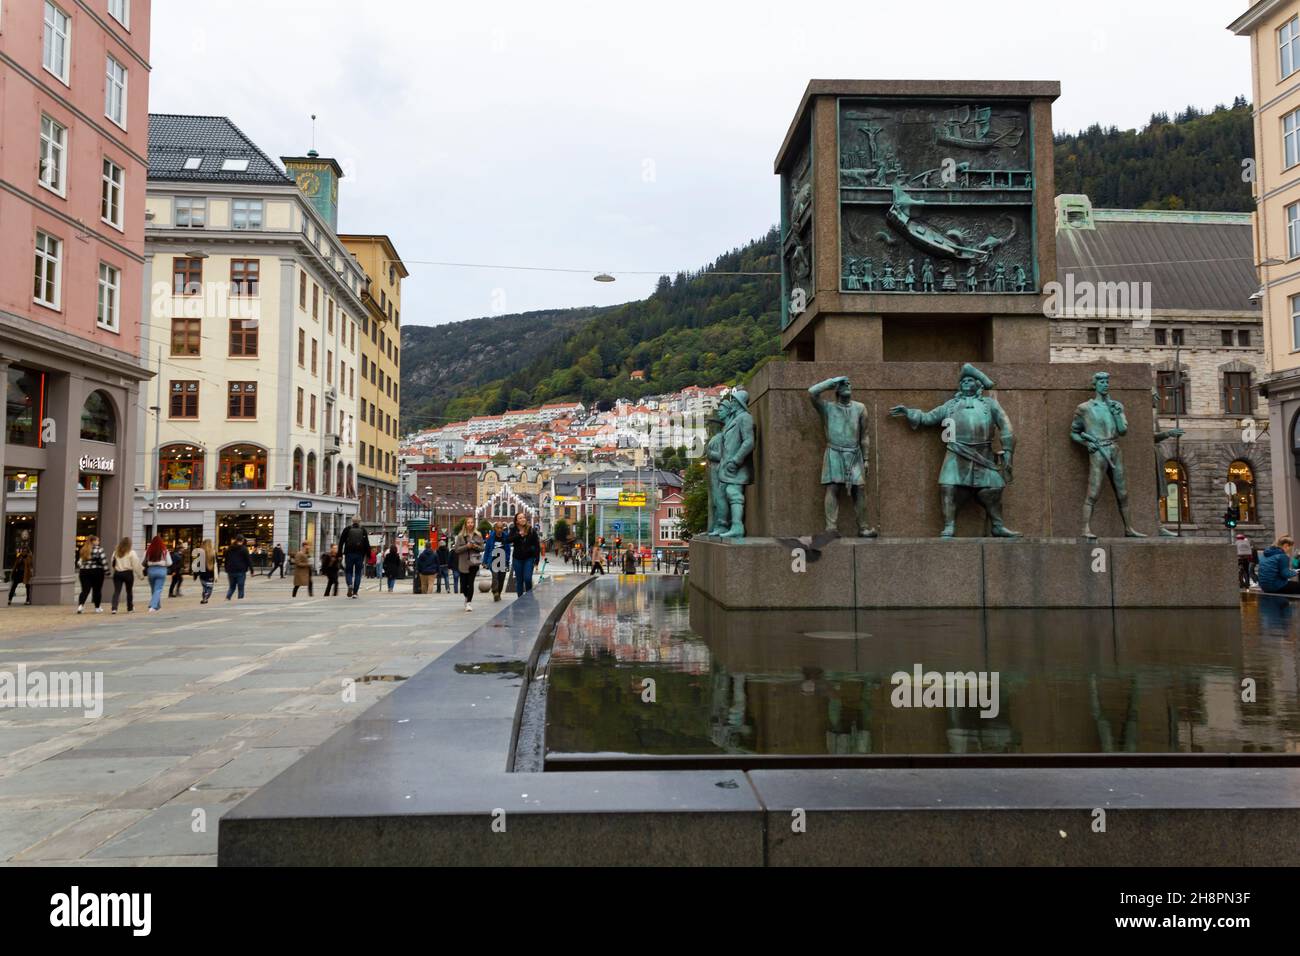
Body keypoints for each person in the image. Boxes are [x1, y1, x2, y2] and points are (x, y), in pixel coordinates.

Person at [508, 511, 542, 598]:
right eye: (520, 518)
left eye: (523, 517)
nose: (522, 519)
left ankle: (529, 597)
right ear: (516, 521)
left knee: (527, 579)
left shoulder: (531, 530)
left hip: (529, 558)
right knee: (519, 580)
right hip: (517, 559)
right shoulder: (514, 530)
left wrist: (536, 561)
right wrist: (519, 535)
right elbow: (508, 540)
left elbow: (537, 546)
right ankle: (520, 599)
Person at [452, 519, 483, 611]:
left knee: (470, 583)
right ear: (465, 524)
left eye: (472, 522)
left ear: (474, 524)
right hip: (463, 563)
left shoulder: (478, 535)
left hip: (473, 563)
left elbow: (482, 548)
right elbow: (456, 549)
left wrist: (475, 546)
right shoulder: (460, 536)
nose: (470, 524)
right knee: (463, 585)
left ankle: (469, 602)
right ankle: (466, 597)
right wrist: (467, 546)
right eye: (468, 523)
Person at [109, 537, 143, 614]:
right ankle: (129, 608)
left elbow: (112, 562)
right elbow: (136, 564)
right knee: (129, 591)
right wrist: (140, 575)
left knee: (117, 591)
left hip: (117, 573)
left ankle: (114, 608)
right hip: (128, 573)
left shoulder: (116, 552)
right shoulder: (132, 552)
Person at [338, 517, 370, 599]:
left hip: (349, 554)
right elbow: (367, 544)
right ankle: (355, 592)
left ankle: (349, 584)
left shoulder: (347, 529)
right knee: (358, 573)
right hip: (360, 555)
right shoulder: (363, 530)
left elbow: (341, 542)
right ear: (359, 521)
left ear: (352, 521)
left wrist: (339, 554)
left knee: (348, 571)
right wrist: (368, 555)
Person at [76, 535, 108, 614]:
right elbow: (104, 561)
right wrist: (107, 571)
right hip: (97, 571)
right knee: (97, 590)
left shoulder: (84, 549)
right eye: (97, 540)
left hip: (84, 571)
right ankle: (97, 607)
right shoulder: (99, 550)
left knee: (85, 590)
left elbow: (79, 562)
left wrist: (85, 565)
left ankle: (80, 606)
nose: (98, 542)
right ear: (93, 541)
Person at [483, 521, 512, 602]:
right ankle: (495, 591)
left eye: (501, 528)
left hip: (503, 560)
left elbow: (508, 550)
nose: (500, 529)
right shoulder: (490, 537)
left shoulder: (506, 536)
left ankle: (498, 593)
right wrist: (484, 561)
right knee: (495, 577)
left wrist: (507, 560)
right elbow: (487, 550)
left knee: (501, 578)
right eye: (498, 528)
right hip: (493, 560)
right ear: (494, 528)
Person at [144, 535, 170, 612]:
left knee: (153, 589)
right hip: (161, 570)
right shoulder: (165, 551)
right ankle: (153, 606)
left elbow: (143, 561)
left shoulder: (148, 551)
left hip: (151, 570)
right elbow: (169, 562)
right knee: (158, 589)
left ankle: (157, 606)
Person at [224, 535, 252, 600]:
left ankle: (227, 597)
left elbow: (226, 559)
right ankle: (240, 600)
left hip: (230, 571)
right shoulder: (244, 549)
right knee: (241, 587)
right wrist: (251, 570)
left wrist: (226, 568)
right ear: (242, 540)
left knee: (232, 587)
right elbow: (248, 560)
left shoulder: (230, 548)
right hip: (240, 571)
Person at [193, 539, 216, 604]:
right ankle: (205, 598)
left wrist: (195, 574)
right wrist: (216, 574)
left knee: (205, 587)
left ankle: (204, 598)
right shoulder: (213, 553)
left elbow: (197, 565)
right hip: (210, 574)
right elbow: (216, 565)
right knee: (209, 588)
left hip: (202, 575)